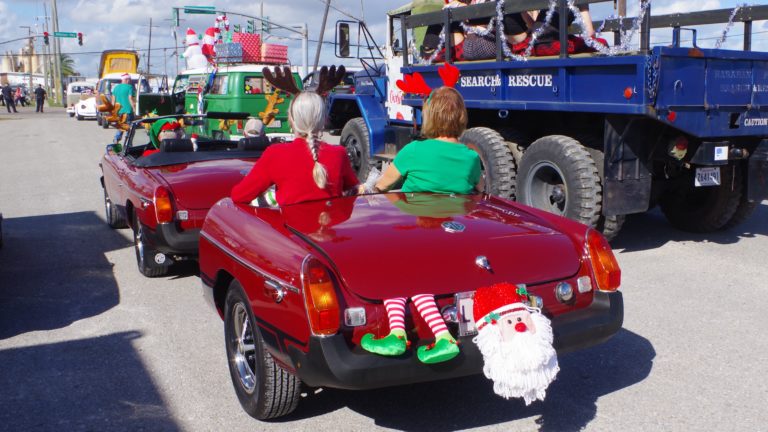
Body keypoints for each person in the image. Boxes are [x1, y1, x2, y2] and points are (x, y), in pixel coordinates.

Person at [360, 86, 482, 364]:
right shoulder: (471, 157)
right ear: (461, 118)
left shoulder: (413, 150)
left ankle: (404, 334)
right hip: (453, 238)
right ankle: (439, 337)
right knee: (416, 277)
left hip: (416, 237)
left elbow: (380, 186)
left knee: (395, 274)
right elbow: (478, 193)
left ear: (429, 117)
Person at [231, 91, 359, 206]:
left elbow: (239, 196)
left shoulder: (275, 154)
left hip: (288, 231)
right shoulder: (339, 153)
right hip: (331, 228)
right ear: (324, 120)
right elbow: (354, 191)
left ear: (291, 120)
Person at [111, 73, 136, 142]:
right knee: (130, 129)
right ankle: (128, 143)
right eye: (129, 79)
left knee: (121, 127)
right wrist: (134, 109)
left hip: (119, 112)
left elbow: (113, 101)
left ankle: (116, 140)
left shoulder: (116, 88)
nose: (130, 81)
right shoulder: (129, 87)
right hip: (128, 111)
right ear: (127, 79)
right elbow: (130, 98)